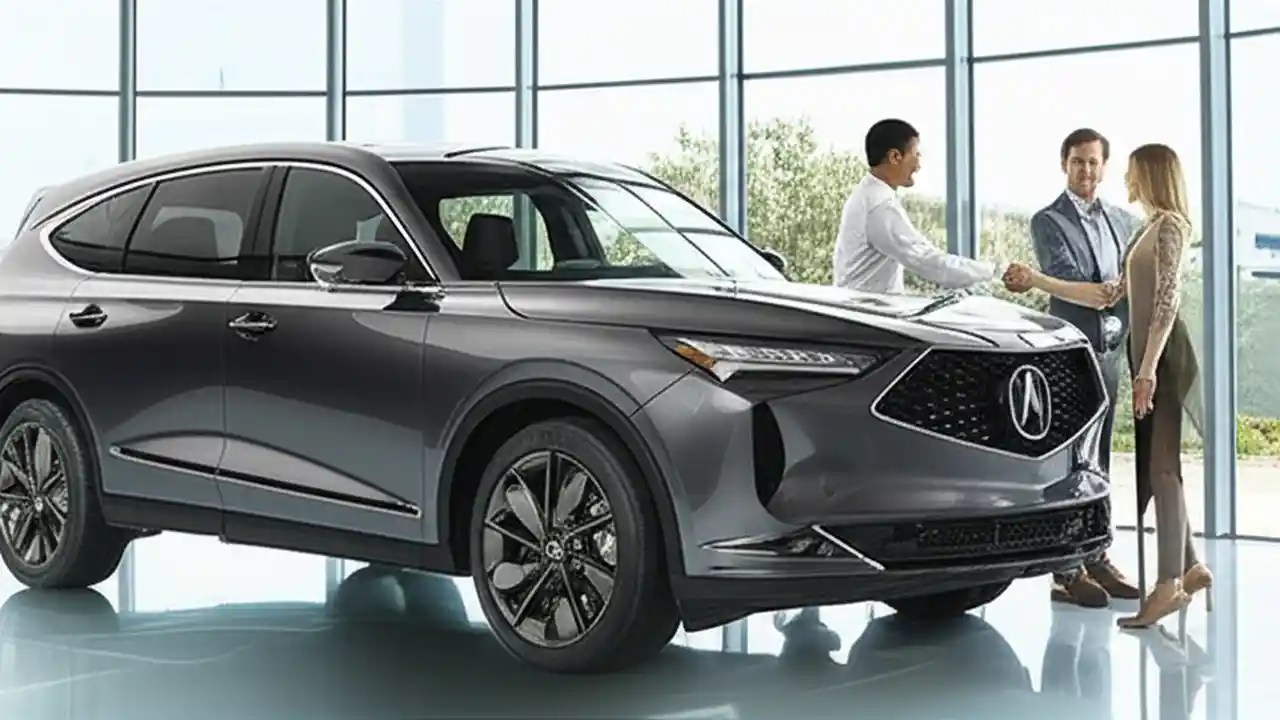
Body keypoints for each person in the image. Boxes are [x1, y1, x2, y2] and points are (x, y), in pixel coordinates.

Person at [1009, 143, 1212, 628]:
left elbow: (1166, 302)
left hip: (1161, 357)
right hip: (1145, 356)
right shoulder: (1145, 227)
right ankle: (1190, 566)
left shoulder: (1169, 227)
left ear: (1152, 175)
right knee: (1159, 464)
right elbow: (1110, 294)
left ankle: (1167, 587)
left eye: (1131, 170)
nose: (1123, 177)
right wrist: (1036, 279)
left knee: (1161, 469)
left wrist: (1146, 370)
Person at [1004, 128, 1142, 609]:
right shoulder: (1048, 221)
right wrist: (1105, 291)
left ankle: (1098, 554)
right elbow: (1066, 284)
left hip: (1108, 351)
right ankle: (1065, 570)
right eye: (1077, 162)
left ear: (1105, 167)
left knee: (1100, 455)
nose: (1086, 170)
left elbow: (1131, 279)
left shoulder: (1124, 221)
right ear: (1064, 164)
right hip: (1067, 352)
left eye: (1093, 162)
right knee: (1068, 459)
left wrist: (1120, 293)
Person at [834, 119, 1009, 293]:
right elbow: (928, 261)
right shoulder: (879, 207)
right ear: (895, 157)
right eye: (916, 155)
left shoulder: (867, 195)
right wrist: (993, 272)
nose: (918, 166)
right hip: (865, 313)